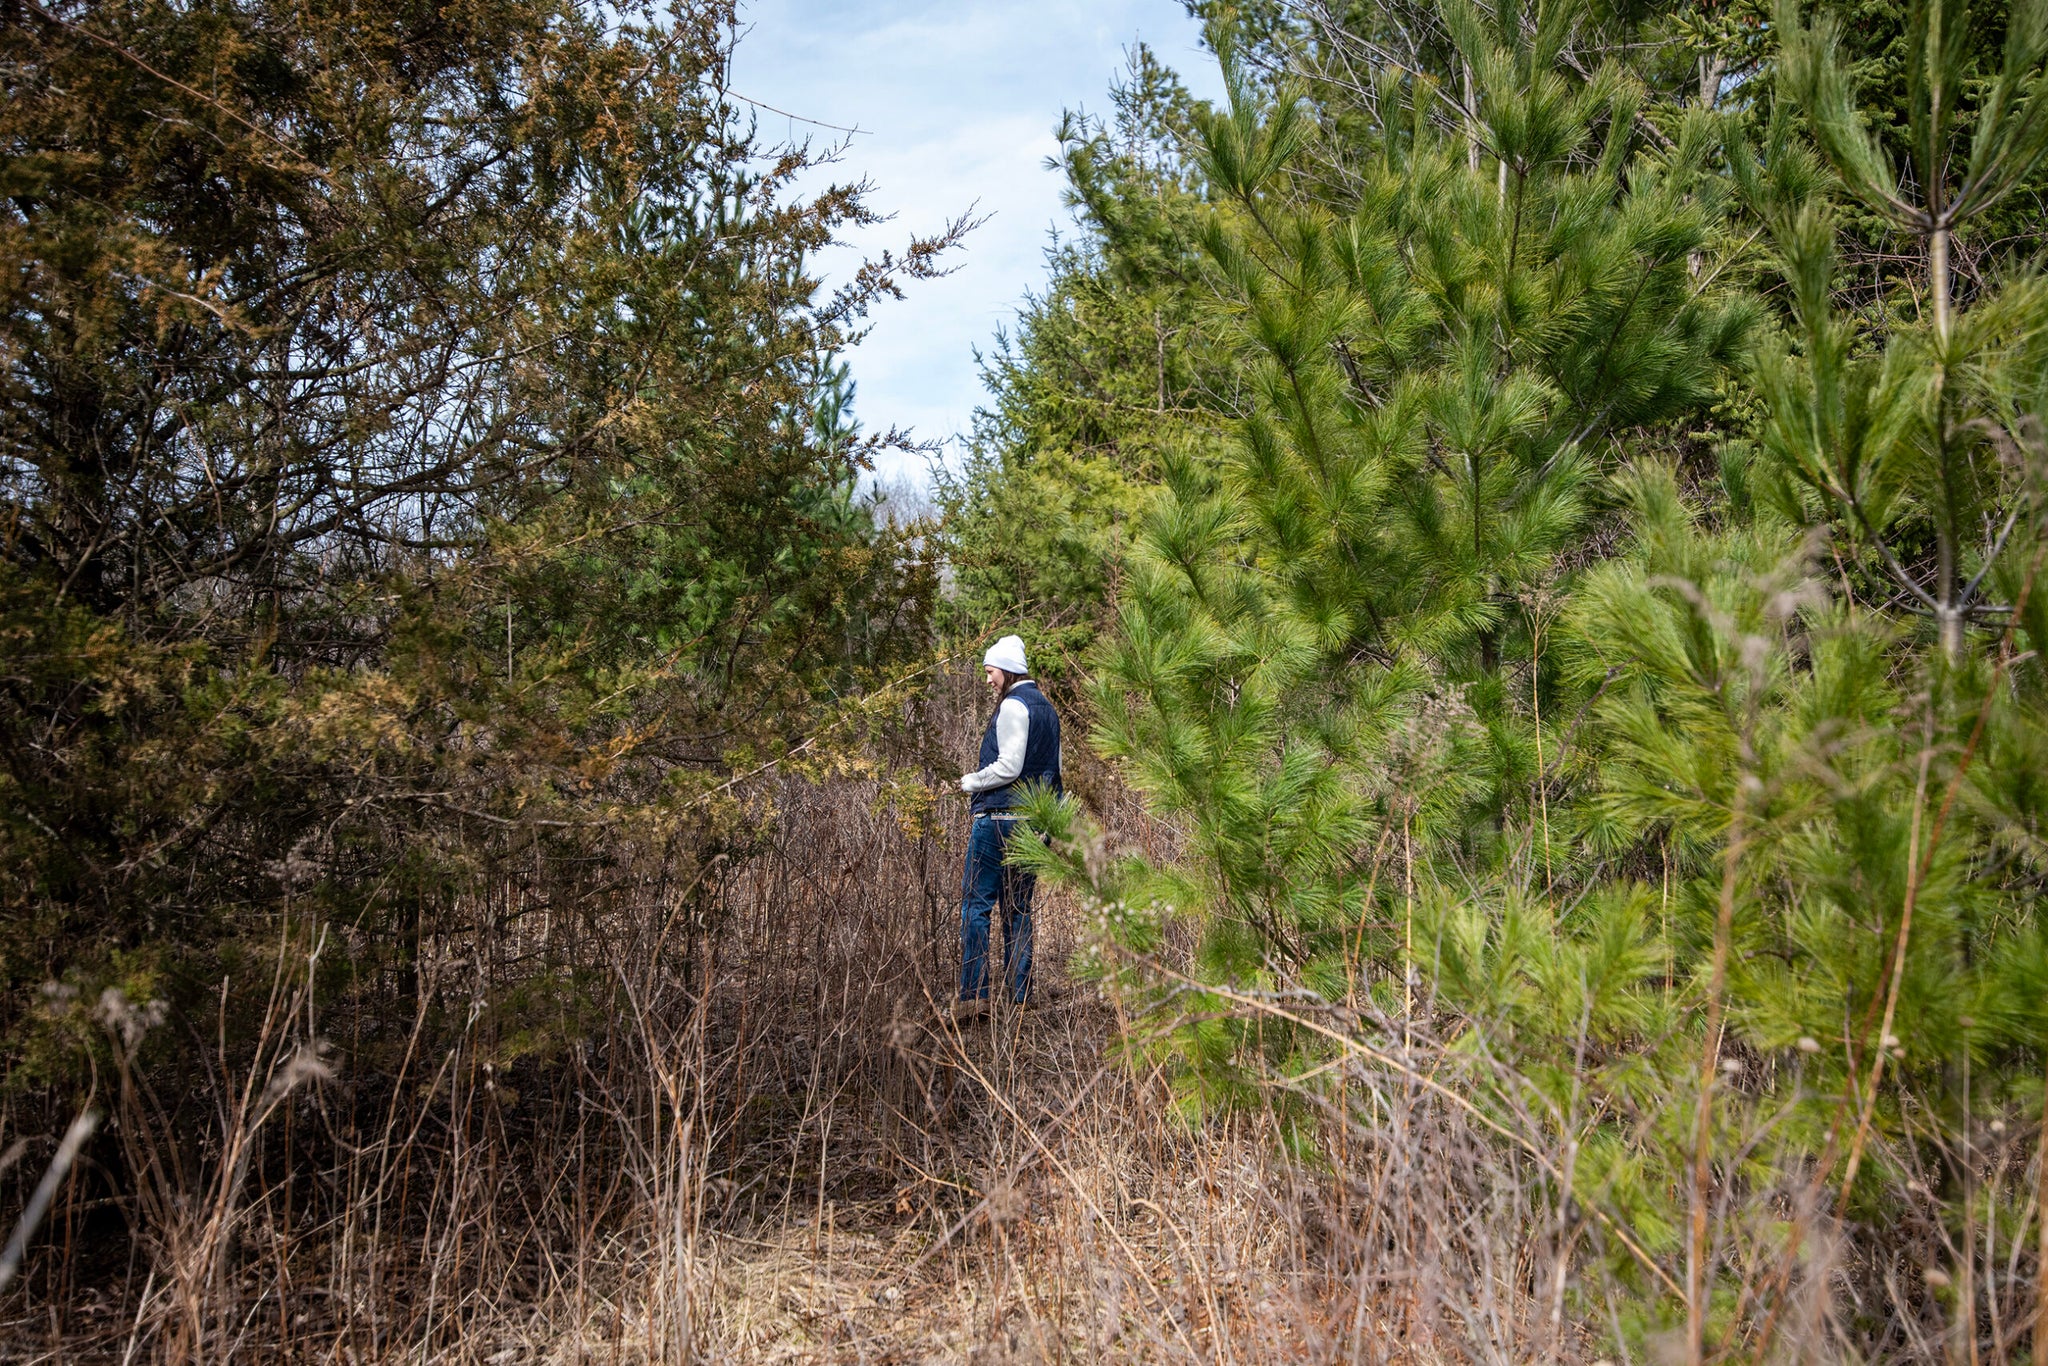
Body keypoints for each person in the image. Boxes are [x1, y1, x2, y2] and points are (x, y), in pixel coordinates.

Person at [954, 634, 1061, 1021]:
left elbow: (1010, 766)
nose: (988, 680)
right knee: (1018, 910)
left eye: (990, 671)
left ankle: (974, 997)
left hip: (998, 823)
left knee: (975, 907)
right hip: (1031, 826)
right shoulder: (1048, 710)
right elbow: (1055, 776)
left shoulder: (1014, 706)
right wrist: (1047, 826)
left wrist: (972, 781)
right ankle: (1021, 996)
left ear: (1008, 669)